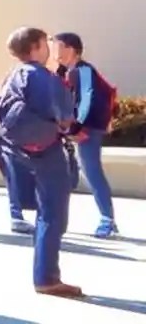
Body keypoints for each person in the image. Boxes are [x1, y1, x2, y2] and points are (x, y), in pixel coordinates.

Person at [0, 27, 82, 298]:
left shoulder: (11, 76)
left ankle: (44, 273)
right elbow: (65, 117)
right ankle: (47, 278)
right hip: (46, 151)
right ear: (36, 47)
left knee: (45, 214)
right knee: (53, 214)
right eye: (45, 43)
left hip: (18, 150)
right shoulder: (41, 76)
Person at [51, 32, 118, 239]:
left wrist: (76, 128)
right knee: (72, 173)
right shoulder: (65, 71)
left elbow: (86, 99)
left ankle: (107, 219)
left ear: (71, 49)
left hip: (87, 130)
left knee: (92, 172)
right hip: (75, 129)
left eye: (58, 46)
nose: (55, 52)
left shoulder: (84, 70)